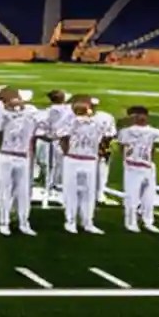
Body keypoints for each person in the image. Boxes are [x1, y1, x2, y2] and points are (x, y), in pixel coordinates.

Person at [0, 89, 39, 236]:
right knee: (5, 191)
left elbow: (37, 119)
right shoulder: (1, 113)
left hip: (23, 156)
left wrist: (21, 108)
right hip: (6, 155)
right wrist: (7, 111)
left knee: (24, 191)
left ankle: (24, 222)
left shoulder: (30, 111)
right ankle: (4, 222)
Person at [57, 95, 106, 235]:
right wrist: (68, 152)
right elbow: (63, 137)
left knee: (87, 193)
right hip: (76, 158)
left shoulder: (97, 123)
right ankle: (71, 221)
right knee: (74, 192)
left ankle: (87, 222)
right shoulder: (71, 123)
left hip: (87, 159)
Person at [118, 105, 159, 233]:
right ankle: (131, 222)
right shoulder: (126, 131)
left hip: (148, 166)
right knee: (131, 197)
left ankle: (148, 221)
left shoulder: (155, 132)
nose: (141, 118)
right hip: (133, 166)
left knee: (149, 197)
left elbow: (154, 148)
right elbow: (122, 147)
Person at [90, 97, 118, 205]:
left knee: (102, 173)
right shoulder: (80, 118)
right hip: (87, 149)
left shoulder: (106, 117)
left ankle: (99, 194)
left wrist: (104, 148)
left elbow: (110, 135)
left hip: (98, 148)